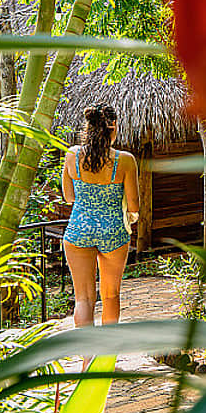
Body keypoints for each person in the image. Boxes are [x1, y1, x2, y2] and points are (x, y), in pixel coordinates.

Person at [61, 104, 138, 334]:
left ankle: (87, 354)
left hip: (79, 230)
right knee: (111, 295)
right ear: (113, 128)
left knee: (83, 299)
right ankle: (107, 353)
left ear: (88, 128)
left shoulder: (72, 155)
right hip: (113, 232)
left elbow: (69, 197)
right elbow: (134, 205)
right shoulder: (125, 160)